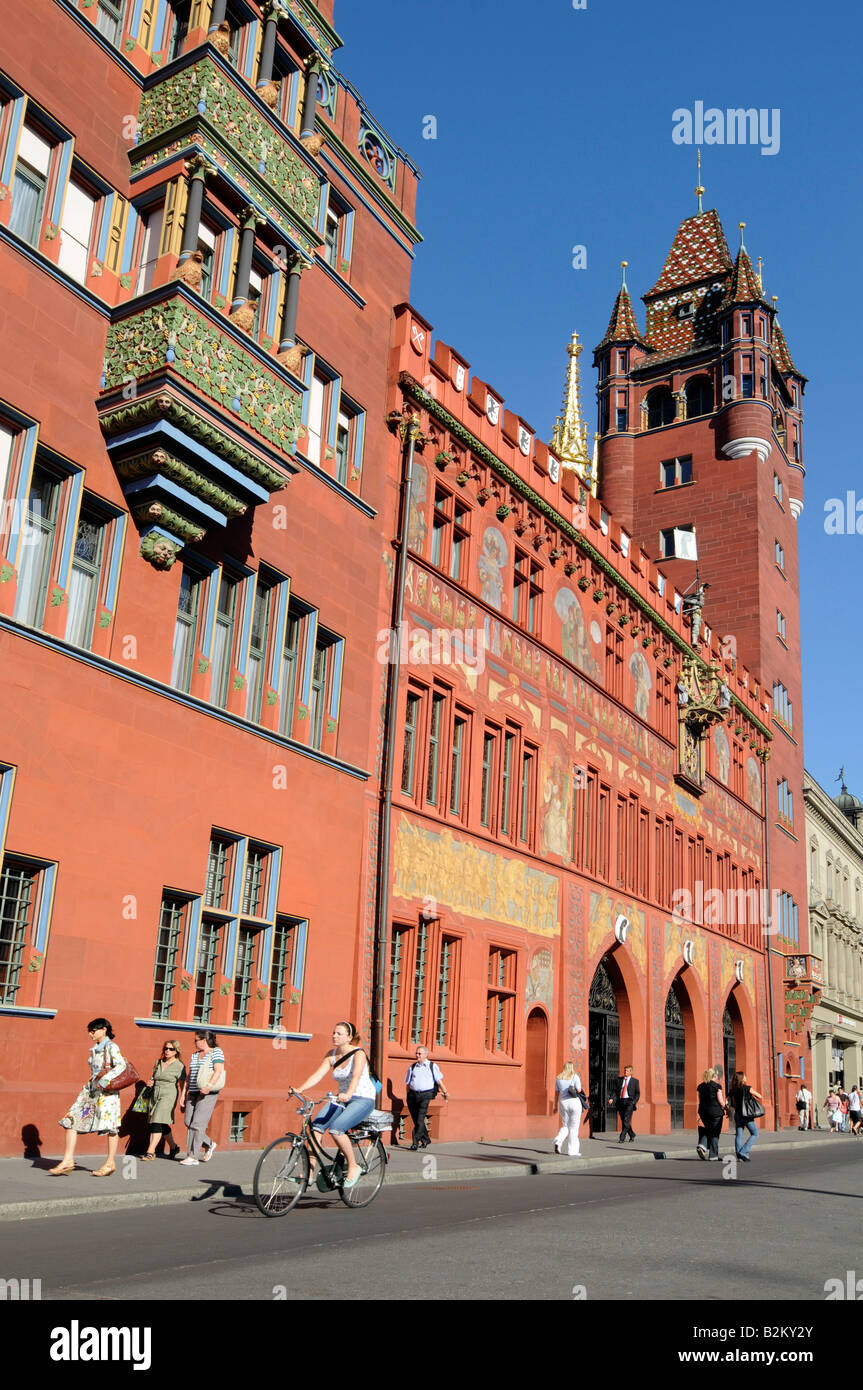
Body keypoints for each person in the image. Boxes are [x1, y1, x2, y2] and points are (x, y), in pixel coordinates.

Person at [290, 1022, 377, 1189]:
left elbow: (356, 1077)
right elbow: (317, 1075)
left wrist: (349, 1094)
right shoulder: (331, 1055)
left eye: (339, 1033)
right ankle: (309, 1172)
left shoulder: (358, 1054)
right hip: (342, 1098)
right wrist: (299, 1089)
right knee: (315, 1129)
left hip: (362, 1098)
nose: (334, 1036)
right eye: (333, 1032)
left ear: (349, 1037)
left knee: (337, 1129)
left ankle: (353, 1166)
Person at [49, 1018, 129, 1178]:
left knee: (110, 1127)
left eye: (93, 1030)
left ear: (104, 1029)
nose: (90, 1033)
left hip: (106, 1093)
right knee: (71, 1120)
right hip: (90, 1092)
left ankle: (110, 1163)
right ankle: (68, 1161)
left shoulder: (111, 1047)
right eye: (90, 1030)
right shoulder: (95, 1049)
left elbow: (121, 1065)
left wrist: (105, 1080)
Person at [180, 1031, 225, 1165]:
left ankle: (193, 1157)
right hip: (192, 1092)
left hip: (207, 1093)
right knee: (189, 1122)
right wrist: (183, 1093)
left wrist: (209, 1086)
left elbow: (218, 1070)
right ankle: (210, 1144)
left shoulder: (216, 1052)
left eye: (196, 1040)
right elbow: (189, 1075)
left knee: (198, 1124)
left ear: (204, 1040)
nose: (194, 1043)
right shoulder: (195, 1055)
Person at [142, 1041, 186, 1160]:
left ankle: (150, 1152)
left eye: (171, 1049)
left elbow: (182, 1084)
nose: (167, 1051)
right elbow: (153, 1077)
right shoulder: (159, 1062)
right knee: (160, 1121)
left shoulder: (179, 1066)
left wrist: (183, 1097)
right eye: (166, 1048)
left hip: (169, 1093)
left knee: (156, 1119)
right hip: (155, 1092)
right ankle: (173, 1147)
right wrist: (150, 1082)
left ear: (176, 1051)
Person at [404, 1045, 448, 1150]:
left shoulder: (432, 1066)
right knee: (416, 1120)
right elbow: (407, 1083)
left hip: (425, 1095)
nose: (417, 1055)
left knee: (420, 1119)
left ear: (425, 1055)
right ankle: (426, 1139)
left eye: (420, 1053)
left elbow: (439, 1080)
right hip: (412, 1095)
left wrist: (445, 1092)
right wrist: (408, 1096)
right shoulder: (412, 1067)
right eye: (416, 1053)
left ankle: (415, 1141)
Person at [727, 1070, 763, 1162]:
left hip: (738, 1114)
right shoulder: (747, 1088)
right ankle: (743, 1152)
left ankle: (740, 1157)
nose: (746, 1077)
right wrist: (751, 1096)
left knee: (739, 1135)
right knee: (755, 1134)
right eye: (745, 1076)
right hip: (747, 1115)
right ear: (742, 1078)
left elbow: (727, 1101)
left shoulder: (733, 1090)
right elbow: (759, 1096)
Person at [553, 1062, 584, 1157]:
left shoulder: (558, 1078)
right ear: (571, 1067)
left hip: (563, 1102)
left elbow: (556, 1093)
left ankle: (558, 1140)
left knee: (565, 1125)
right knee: (574, 1128)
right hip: (574, 1102)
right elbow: (579, 1090)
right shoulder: (575, 1076)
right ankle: (572, 1151)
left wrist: (555, 1105)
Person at [696, 1067, 726, 1161]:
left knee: (708, 1129)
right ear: (714, 1075)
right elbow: (721, 1102)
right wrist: (727, 1107)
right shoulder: (717, 1086)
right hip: (715, 1113)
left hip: (703, 1112)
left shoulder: (700, 1086)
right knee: (715, 1133)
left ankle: (702, 1146)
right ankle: (713, 1155)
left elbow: (700, 1100)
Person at [613, 1065, 639, 1143]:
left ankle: (622, 1137)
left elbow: (637, 1093)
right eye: (625, 1071)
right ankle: (632, 1134)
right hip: (621, 1101)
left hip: (629, 1102)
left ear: (631, 1072)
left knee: (626, 1119)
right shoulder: (619, 1080)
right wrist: (611, 1098)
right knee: (623, 1120)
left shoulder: (635, 1081)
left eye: (627, 1071)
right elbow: (614, 1090)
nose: (625, 1072)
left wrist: (634, 1102)